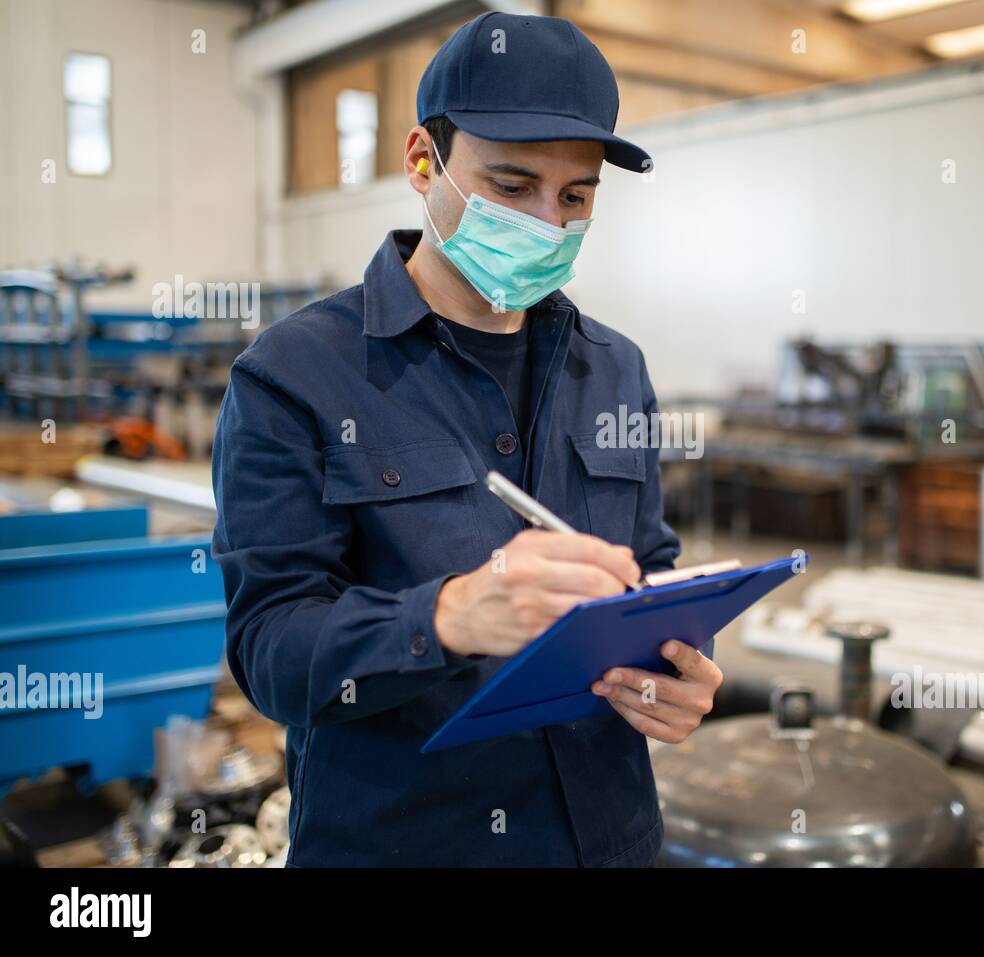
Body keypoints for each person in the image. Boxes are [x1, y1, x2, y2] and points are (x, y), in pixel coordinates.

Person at [211, 11, 721, 867]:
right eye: (512, 187)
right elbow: (272, 653)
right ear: (422, 160)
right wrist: (448, 615)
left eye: (576, 198)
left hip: (609, 841)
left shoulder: (616, 369)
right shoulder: (294, 375)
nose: (545, 224)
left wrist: (680, 661)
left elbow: (649, 566)